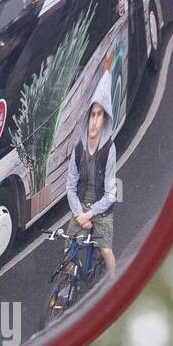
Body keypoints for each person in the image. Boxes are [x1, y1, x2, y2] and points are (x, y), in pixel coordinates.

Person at [64, 71, 118, 276]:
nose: (95, 121)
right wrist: (79, 215)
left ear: (105, 119)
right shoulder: (78, 149)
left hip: (101, 209)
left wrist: (90, 214)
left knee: (105, 250)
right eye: (92, 115)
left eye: (100, 115)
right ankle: (77, 281)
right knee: (68, 251)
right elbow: (70, 186)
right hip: (81, 208)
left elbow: (111, 194)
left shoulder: (109, 150)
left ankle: (113, 284)